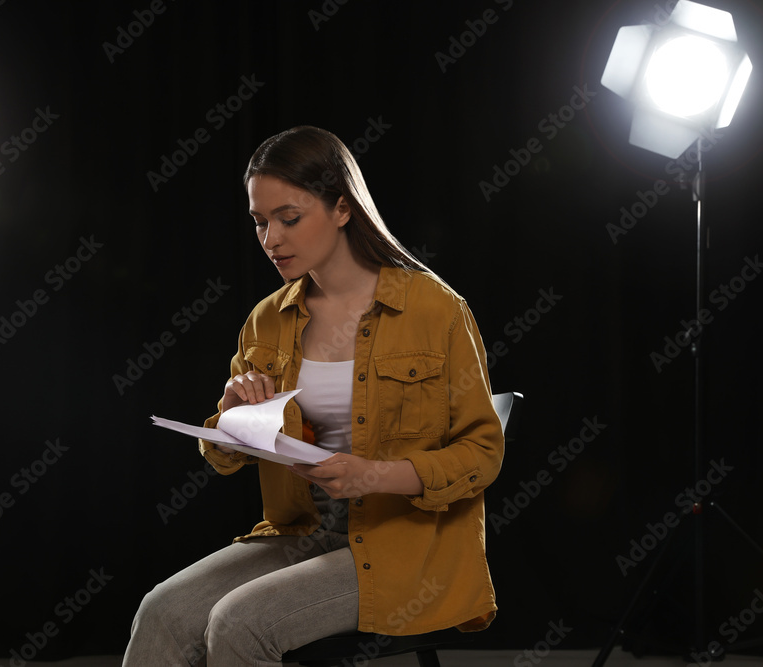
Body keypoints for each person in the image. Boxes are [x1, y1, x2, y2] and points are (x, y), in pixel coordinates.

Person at [123, 126, 504, 666]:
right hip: (303, 533)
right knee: (160, 612)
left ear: (343, 208)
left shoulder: (435, 309)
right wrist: (234, 417)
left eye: (289, 218)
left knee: (239, 623)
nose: (270, 238)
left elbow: (483, 453)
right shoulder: (267, 319)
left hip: (407, 546)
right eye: (260, 222)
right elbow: (224, 455)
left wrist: (369, 476)